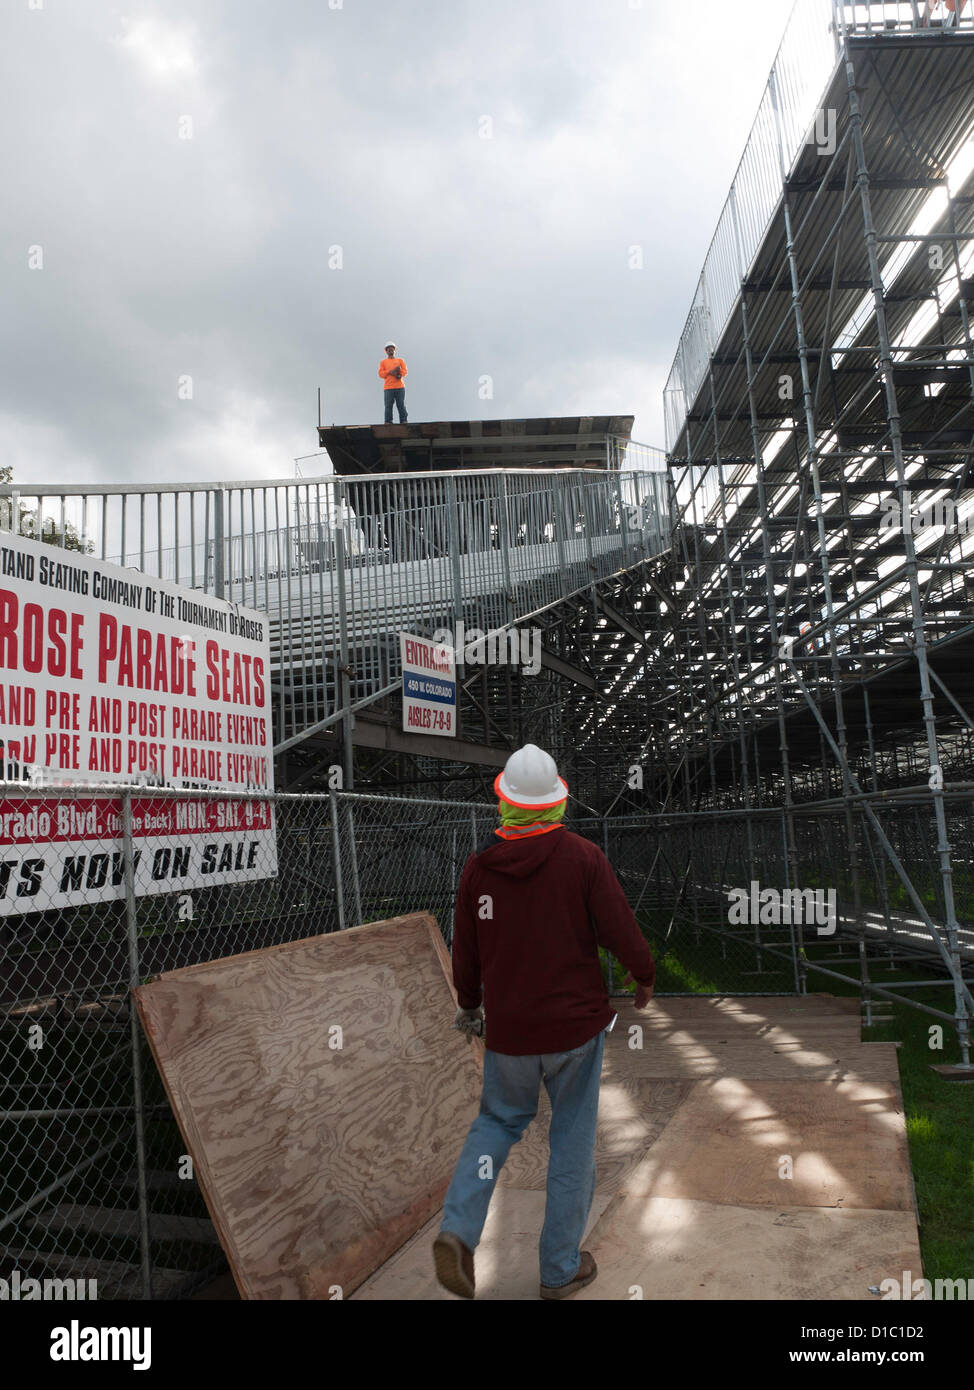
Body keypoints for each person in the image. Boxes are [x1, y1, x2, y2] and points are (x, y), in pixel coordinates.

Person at [432, 743, 656, 1300]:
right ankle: (558, 1270)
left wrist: (469, 1004)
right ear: (557, 801)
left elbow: (467, 951)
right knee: (572, 1142)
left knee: (496, 1124)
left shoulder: (479, 869)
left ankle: (459, 1231)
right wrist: (643, 974)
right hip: (575, 1031)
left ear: (504, 801)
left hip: (511, 1034)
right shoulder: (582, 858)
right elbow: (618, 928)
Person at [379, 341, 408, 423]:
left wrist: (399, 373)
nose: (390, 350)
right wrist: (390, 372)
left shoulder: (400, 360)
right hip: (388, 388)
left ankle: (403, 421)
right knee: (388, 405)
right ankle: (388, 421)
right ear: (386, 351)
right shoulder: (383, 362)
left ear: (394, 350)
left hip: (400, 387)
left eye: (392, 349)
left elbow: (405, 371)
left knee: (401, 404)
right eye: (388, 349)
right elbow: (381, 374)